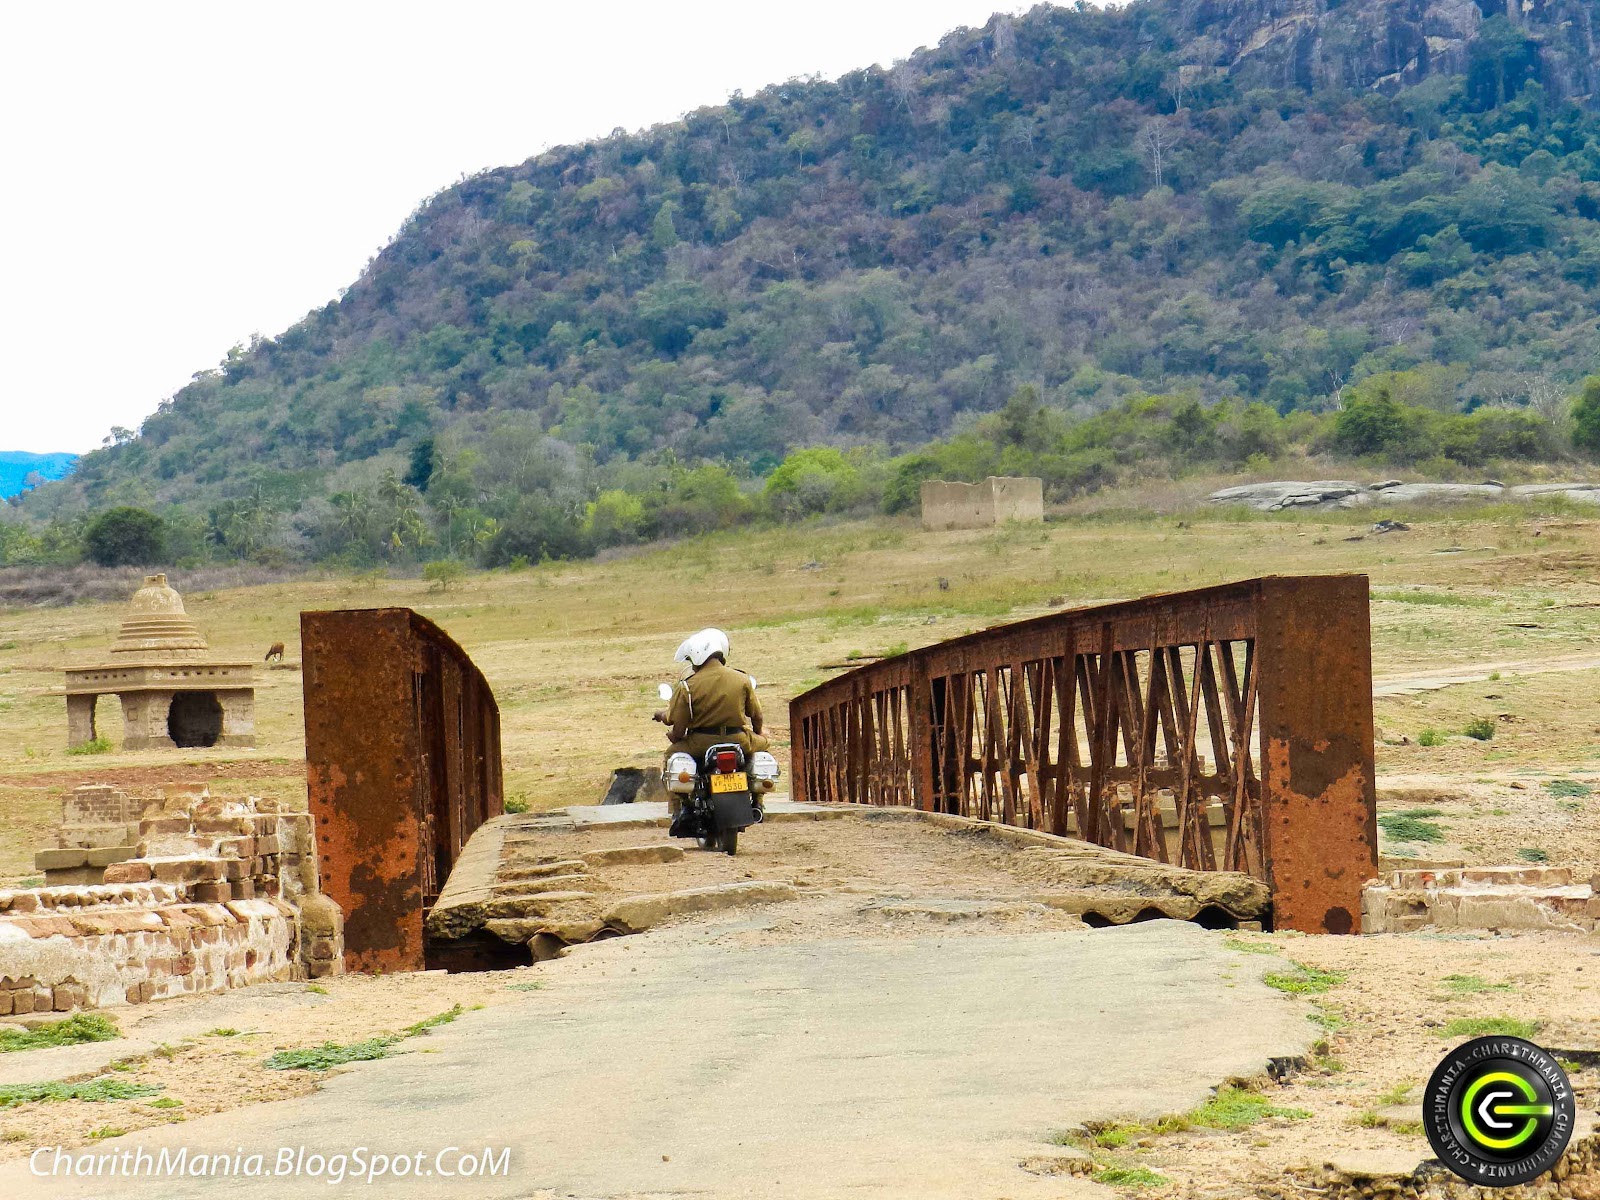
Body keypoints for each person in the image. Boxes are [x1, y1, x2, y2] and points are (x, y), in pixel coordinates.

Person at [654, 627, 770, 767]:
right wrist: (759, 733)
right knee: (766, 743)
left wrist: (674, 735)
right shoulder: (742, 679)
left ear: (697, 658)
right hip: (739, 740)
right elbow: (757, 716)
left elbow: (679, 728)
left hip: (701, 743)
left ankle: (677, 790)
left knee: (671, 754)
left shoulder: (688, 686)